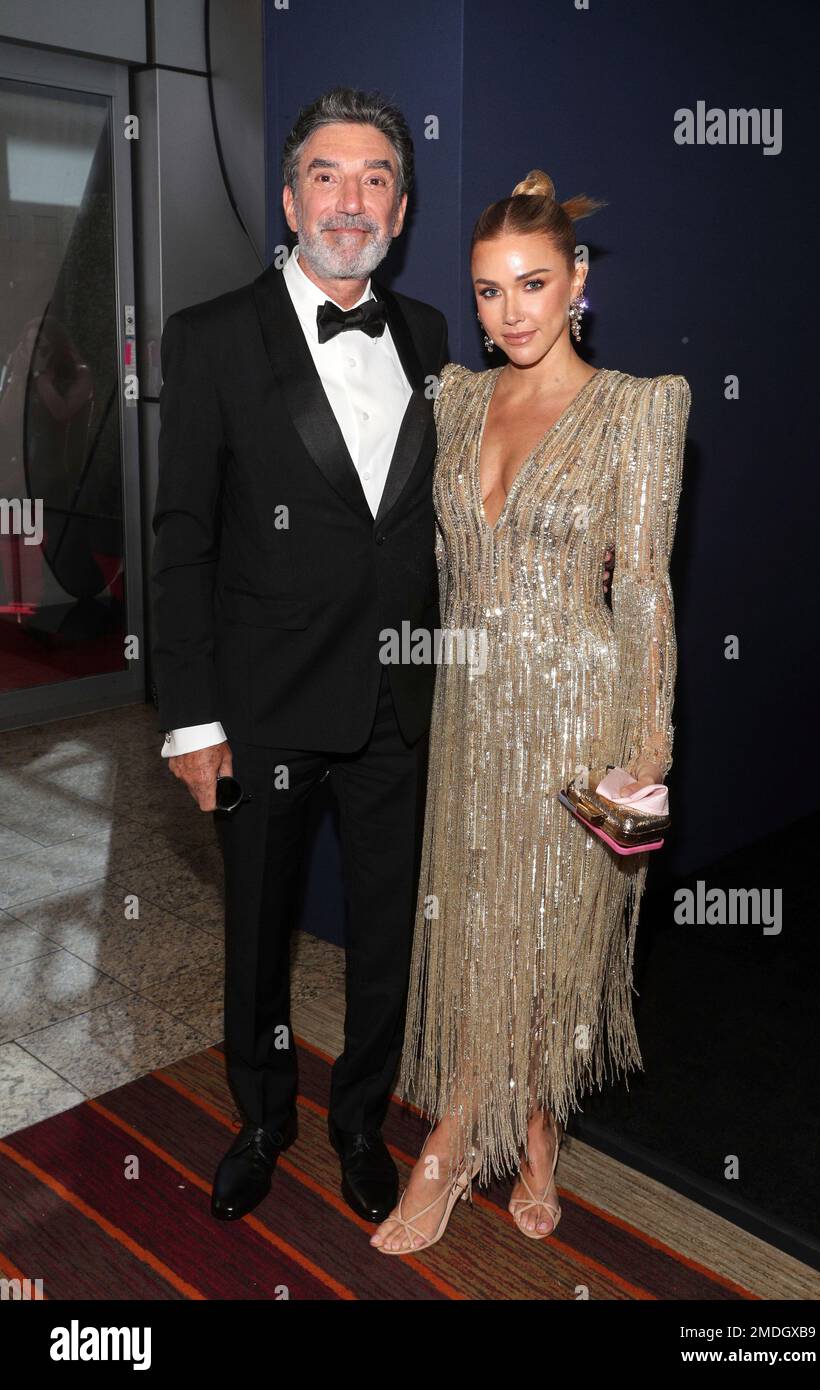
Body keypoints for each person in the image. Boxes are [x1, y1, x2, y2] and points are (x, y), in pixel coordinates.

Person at [370, 170, 691, 1253]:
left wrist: (644, 746)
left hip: (575, 716)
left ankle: (474, 1137)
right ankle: (507, 1131)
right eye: (488, 290)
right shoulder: (458, 398)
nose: (510, 313)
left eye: (532, 285)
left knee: (550, 944)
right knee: (474, 933)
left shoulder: (637, 409)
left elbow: (643, 583)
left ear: (576, 283)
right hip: (471, 717)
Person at [151, 88, 450, 1224]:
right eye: (327, 175)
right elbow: (182, 541)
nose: (349, 199)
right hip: (263, 704)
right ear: (288, 197)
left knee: (385, 931)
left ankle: (360, 1121)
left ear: (401, 209)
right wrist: (192, 717)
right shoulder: (214, 335)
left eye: (375, 178)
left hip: (397, 708)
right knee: (258, 936)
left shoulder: (426, 335)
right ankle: (263, 1113)